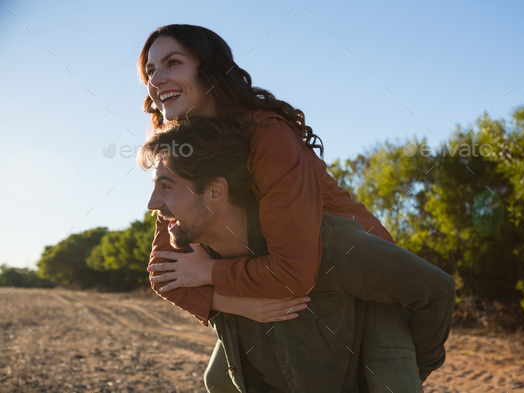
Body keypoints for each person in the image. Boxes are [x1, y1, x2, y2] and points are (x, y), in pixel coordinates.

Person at [139, 24, 454, 391]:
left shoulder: (266, 134)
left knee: (391, 380)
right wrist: (240, 305)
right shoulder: (179, 148)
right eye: (149, 71)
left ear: (208, 68)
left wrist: (209, 272)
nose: (156, 79)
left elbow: (293, 272)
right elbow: (166, 271)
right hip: (274, 275)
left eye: (172, 63)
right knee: (220, 381)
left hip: (352, 270)